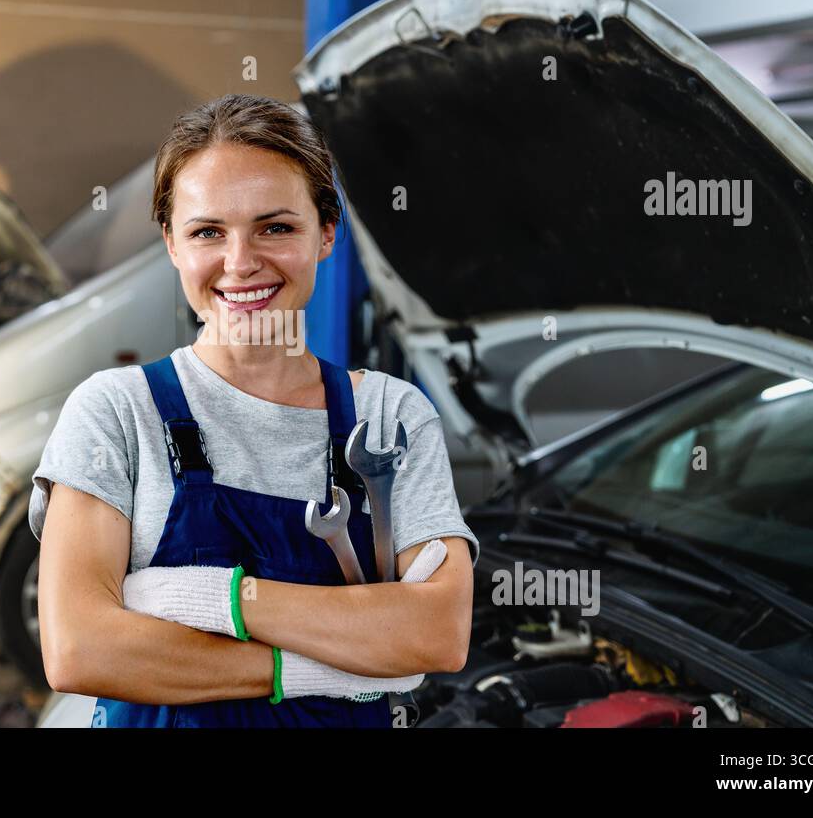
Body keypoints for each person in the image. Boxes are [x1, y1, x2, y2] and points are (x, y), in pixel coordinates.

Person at [28, 93, 479, 728]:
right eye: (208, 231)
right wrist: (319, 666)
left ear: (326, 232)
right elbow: (80, 649)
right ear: (171, 244)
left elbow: (436, 635)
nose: (241, 263)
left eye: (276, 227)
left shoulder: (390, 417)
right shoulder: (116, 414)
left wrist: (217, 599)